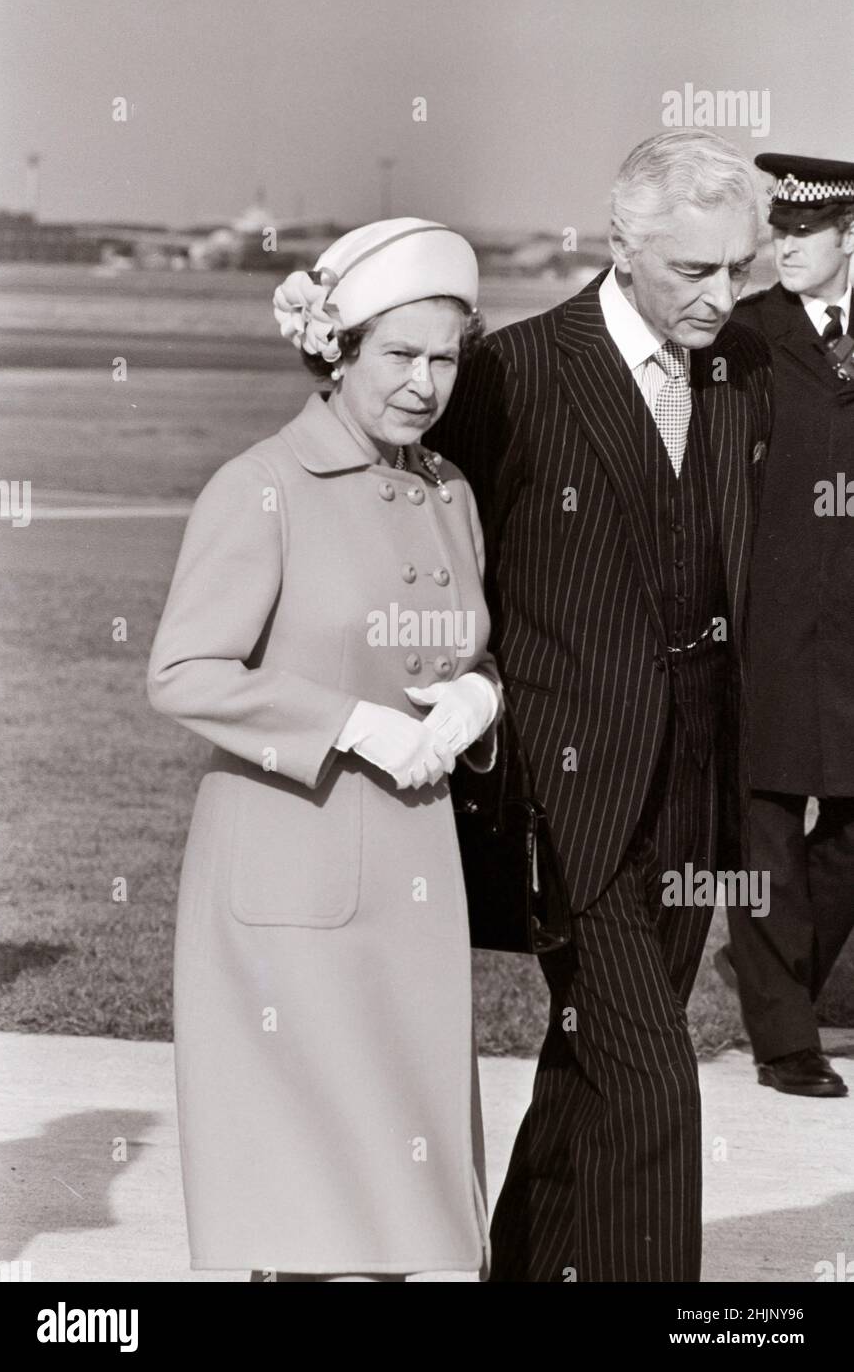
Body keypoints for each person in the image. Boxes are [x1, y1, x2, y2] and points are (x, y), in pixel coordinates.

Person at [426, 130, 773, 1282]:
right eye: (696, 271)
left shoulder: (742, 368)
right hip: (565, 800)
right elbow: (429, 545)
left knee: (592, 1064)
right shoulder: (513, 373)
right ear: (623, 248)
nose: (724, 297)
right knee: (655, 1087)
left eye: (743, 268)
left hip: (696, 801)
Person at [147, 217, 503, 1282]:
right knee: (308, 1208)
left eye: (444, 358)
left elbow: (467, 647)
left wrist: (477, 699)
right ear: (337, 347)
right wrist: (349, 723)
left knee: (401, 1207)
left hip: (412, 882)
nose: (425, 382)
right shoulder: (263, 486)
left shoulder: (450, 491)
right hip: (288, 885)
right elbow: (184, 670)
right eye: (399, 354)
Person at [716, 154, 854, 1099]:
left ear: (850, 235)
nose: (784, 247)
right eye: (778, 230)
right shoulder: (745, 337)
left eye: (804, 233)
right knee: (762, 815)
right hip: (763, 617)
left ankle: (778, 982)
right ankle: (784, 1039)